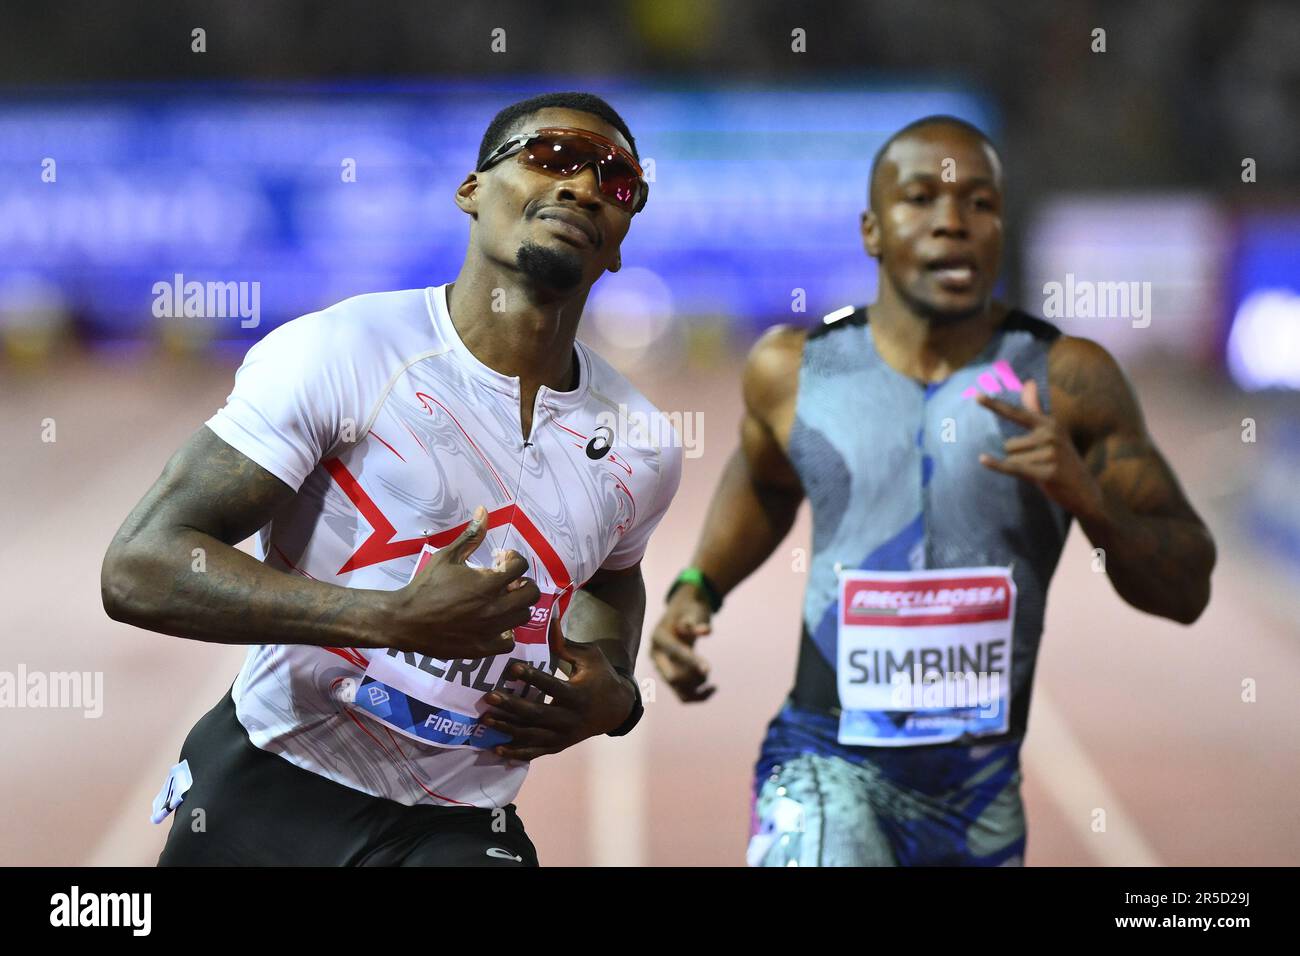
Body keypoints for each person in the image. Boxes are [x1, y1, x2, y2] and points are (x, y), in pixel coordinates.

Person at [101, 91, 681, 866]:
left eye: (615, 182)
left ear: (617, 242)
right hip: (275, 780)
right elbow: (141, 565)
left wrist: (616, 691)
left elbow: (615, 576)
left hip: (460, 824)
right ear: (472, 189)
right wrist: (387, 619)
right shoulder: (342, 353)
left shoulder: (643, 444)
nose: (580, 186)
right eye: (551, 156)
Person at [649, 115, 1216, 867]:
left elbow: (1186, 589)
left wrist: (1090, 500)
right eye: (921, 199)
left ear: (1001, 226)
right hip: (825, 761)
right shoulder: (795, 371)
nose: (953, 223)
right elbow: (765, 479)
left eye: (979, 204)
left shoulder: (1071, 381)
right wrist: (699, 585)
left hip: (980, 793)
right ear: (872, 230)